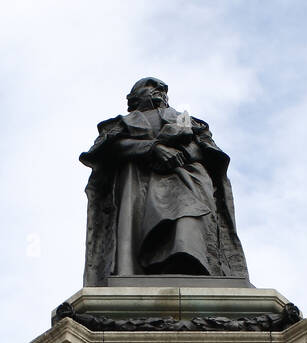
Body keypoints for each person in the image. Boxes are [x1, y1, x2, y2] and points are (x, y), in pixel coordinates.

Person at [79, 76, 249, 284]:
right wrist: (152, 148)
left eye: (162, 89)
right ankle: (140, 270)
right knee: (141, 224)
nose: (159, 90)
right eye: (150, 87)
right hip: (139, 183)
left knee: (188, 221)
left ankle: (188, 266)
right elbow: (109, 149)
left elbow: (209, 150)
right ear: (133, 98)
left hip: (187, 178)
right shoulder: (120, 124)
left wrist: (182, 154)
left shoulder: (186, 120)